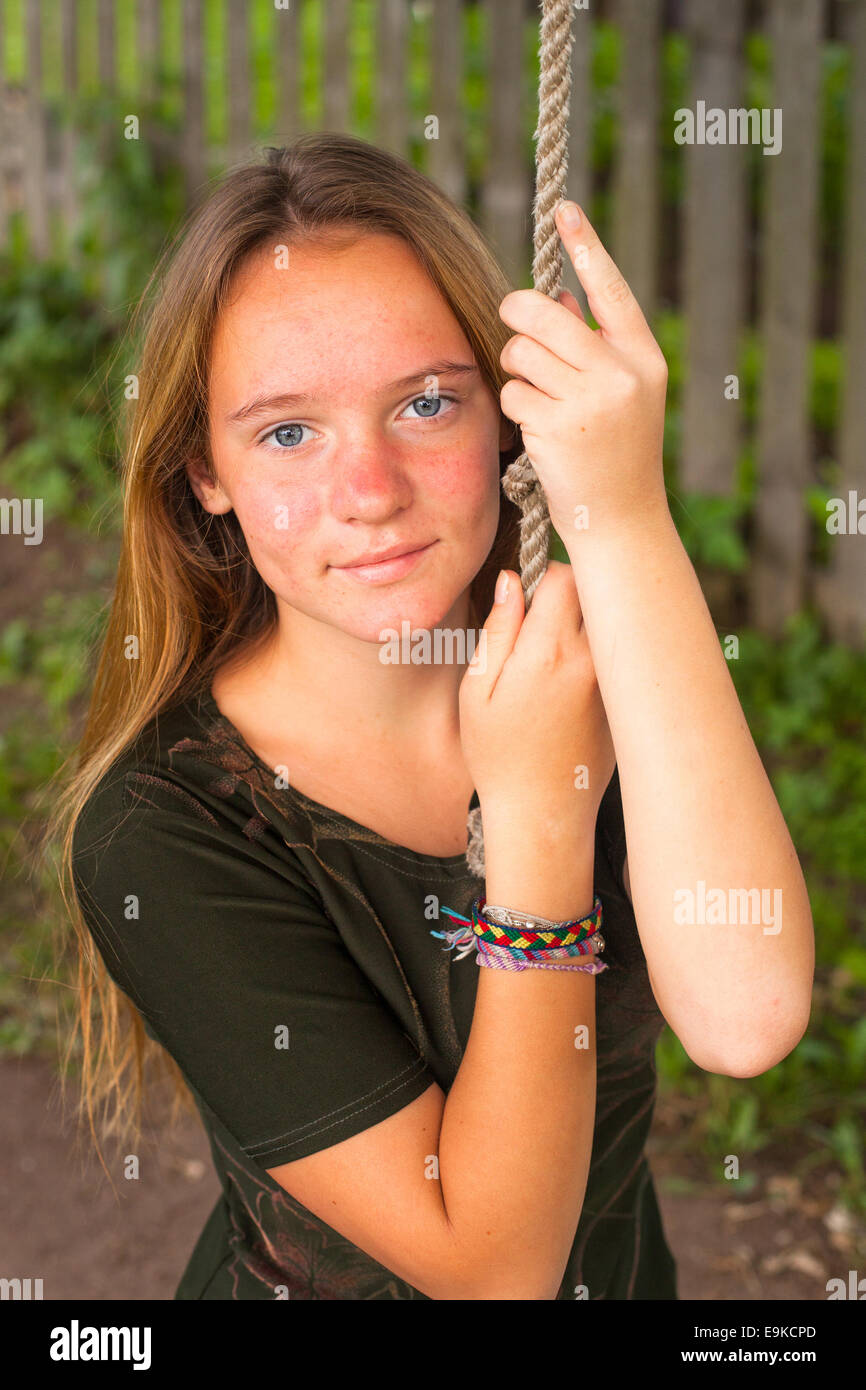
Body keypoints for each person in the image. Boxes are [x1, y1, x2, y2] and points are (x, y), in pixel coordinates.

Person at [55, 132, 814, 1301]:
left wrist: (621, 518)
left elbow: (746, 1016)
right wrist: (536, 818)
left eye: (424, 402)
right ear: (203, 470)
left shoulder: (592, 658)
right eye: (286, 431)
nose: (369, 493)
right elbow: (492, 1272)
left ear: (506, 414)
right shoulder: (164, 826)